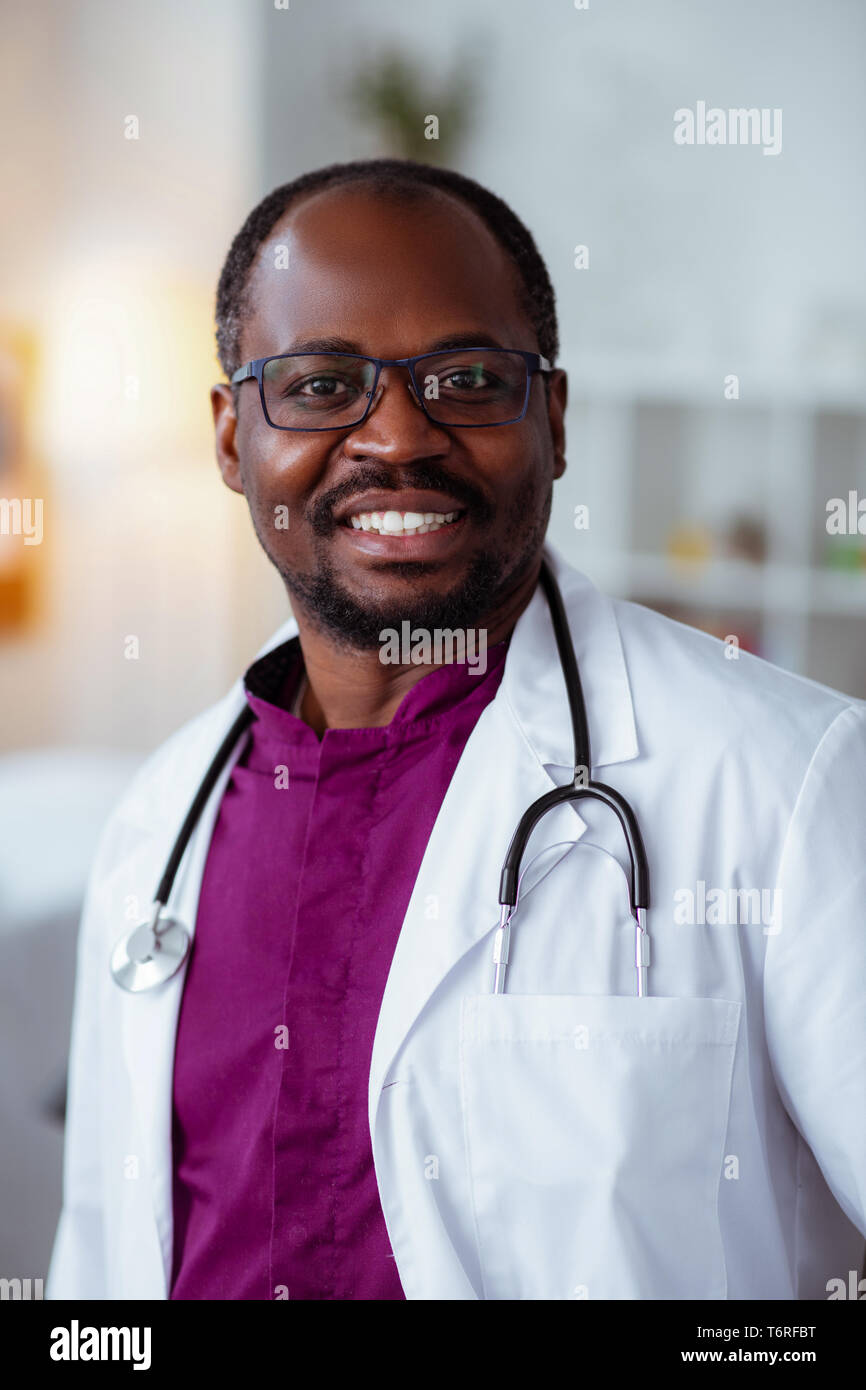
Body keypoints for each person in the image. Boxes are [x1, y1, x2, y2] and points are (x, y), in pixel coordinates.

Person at [47, 158, 866, 1301]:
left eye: (467, 378)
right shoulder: (158, 823)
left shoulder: (785, 783)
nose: (397, 436)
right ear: (233, 438)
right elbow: (102, 1261)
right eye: (322, 384)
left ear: (554, 419)